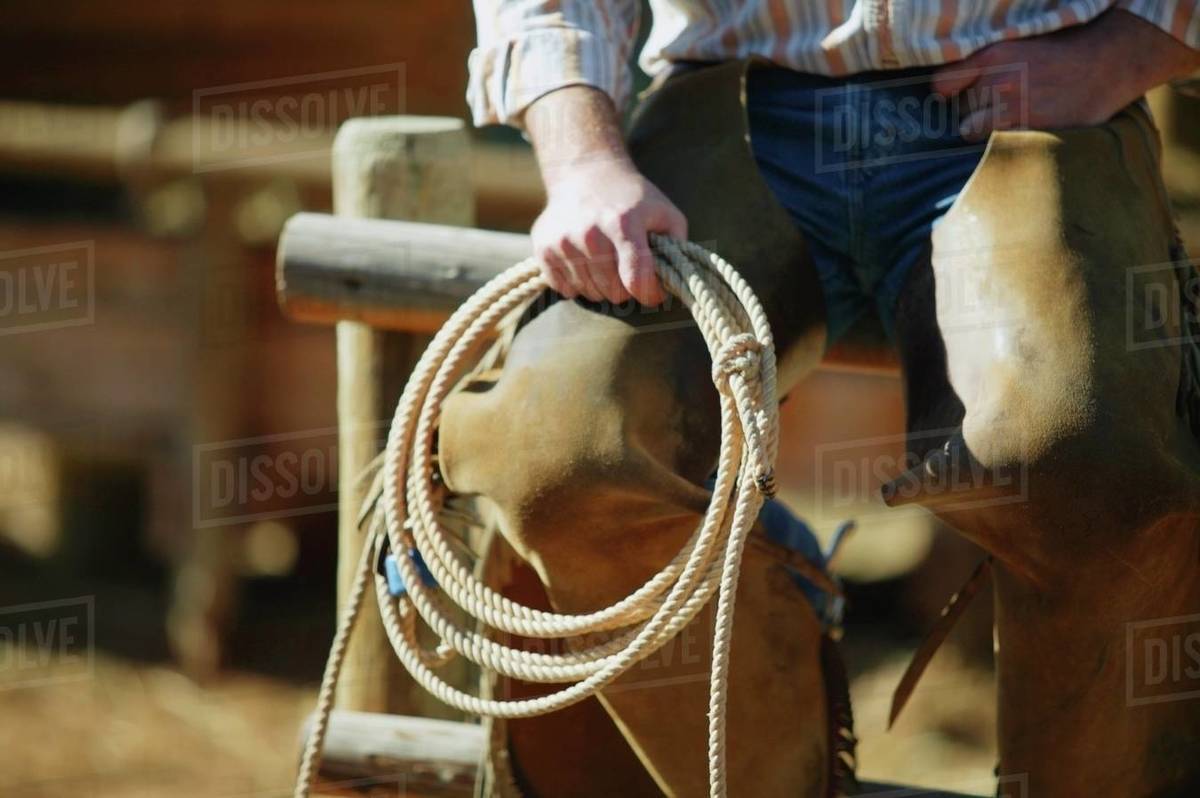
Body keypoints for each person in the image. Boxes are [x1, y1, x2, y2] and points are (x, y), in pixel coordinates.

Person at [449, 3, 1200, 795]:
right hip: (726, 104)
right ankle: (773, 757)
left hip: (1030, 90)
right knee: (561, 448)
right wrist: (582, 164)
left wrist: (1128, 52)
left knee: (1094, 462)